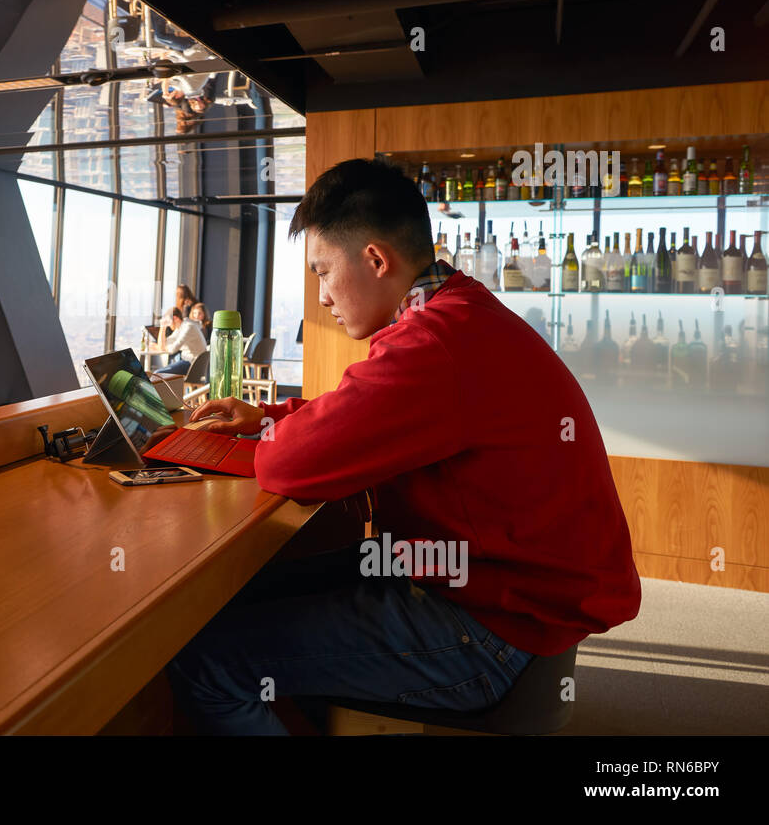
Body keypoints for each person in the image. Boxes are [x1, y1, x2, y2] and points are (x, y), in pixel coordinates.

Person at [164, 158, 641, 735]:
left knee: (208, 661)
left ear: (374, 259)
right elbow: (358, 411)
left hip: (494, 629)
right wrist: (265, 417)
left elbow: (294, 463)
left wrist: (271, 438)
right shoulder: (457, 311)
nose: (319, 296)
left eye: (321, 271)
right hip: (503, 597)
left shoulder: (435, 343)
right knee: (240, 601)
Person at [154, 306, 207, 377]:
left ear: (175, 318)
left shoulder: (188, 327)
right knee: (158, 372)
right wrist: (162, 327)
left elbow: (172, 350)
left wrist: (159, 347)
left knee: (157, 374)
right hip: (188, 361)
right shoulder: (181, 326)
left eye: (168, 322)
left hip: (193, 364)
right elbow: (162, 346)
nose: (168, 326)